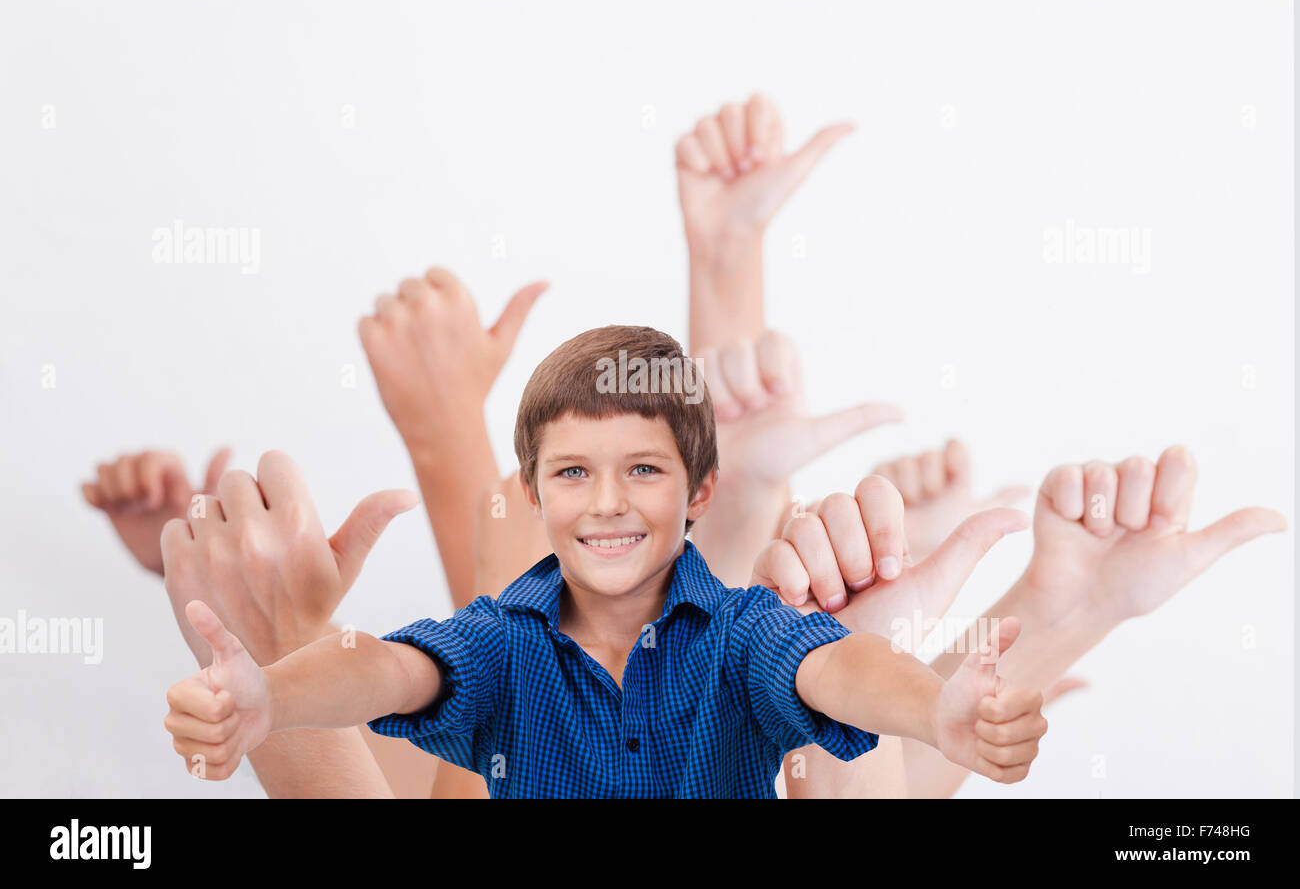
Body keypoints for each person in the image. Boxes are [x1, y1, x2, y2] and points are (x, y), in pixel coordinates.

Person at [161, 326, 1048, 797]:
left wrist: (932, 707)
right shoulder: (510, 640)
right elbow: (393, 670)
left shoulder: (734, 636)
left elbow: (833, 663)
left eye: (643, 473)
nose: (609, 502)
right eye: (575, 475)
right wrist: (277, 686)